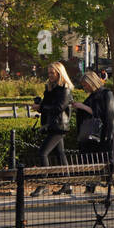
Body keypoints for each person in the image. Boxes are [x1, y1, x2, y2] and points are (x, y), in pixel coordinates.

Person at [31, 62, 75, 196]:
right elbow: (49, 104)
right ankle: (67, 184)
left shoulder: (65, 89)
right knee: (60, 154)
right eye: (49, 73)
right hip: (52, 125)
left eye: (52, 73)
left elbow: (59, 107)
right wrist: (40, 104)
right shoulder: (51, 88)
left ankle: (44, 184)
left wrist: (41, 108)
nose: (50, 75)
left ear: (59, 73)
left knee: (43, 152)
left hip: (59, 126)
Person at [74, 71, 114, 180]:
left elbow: (105, 113)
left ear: (91, 83)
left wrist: (83, 107)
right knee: (94, 161)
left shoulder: (105, 94)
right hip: (93, 134)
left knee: (104, 161)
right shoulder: (93, 96)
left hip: (102, 132)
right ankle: (93, 184)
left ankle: (107, 184)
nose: (84, 87)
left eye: (85, 85)